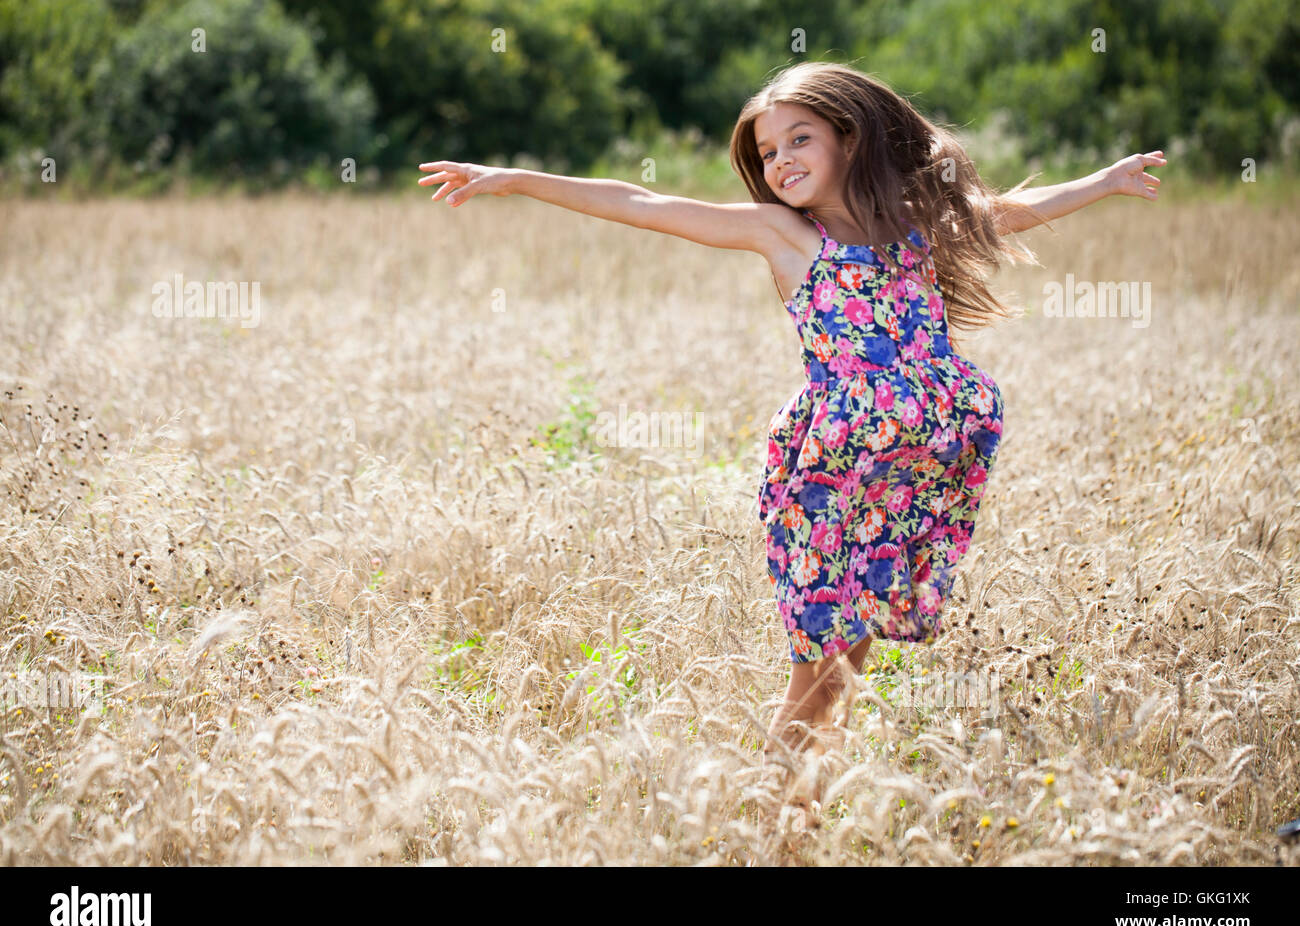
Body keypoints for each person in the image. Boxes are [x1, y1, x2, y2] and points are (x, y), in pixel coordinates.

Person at [417, 60, 1165, 823]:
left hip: (909, 477)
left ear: (849, 137)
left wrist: (1105, 181)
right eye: (768, 153)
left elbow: (1005, 210)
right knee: (815, 664)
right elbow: (642, 200)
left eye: (798, 140)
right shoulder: (783, 235)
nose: (782, 162)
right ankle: (765, 814)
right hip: (830, 476)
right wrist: (515, 178)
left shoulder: (912, 221)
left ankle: (802, 814)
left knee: (848, 667)